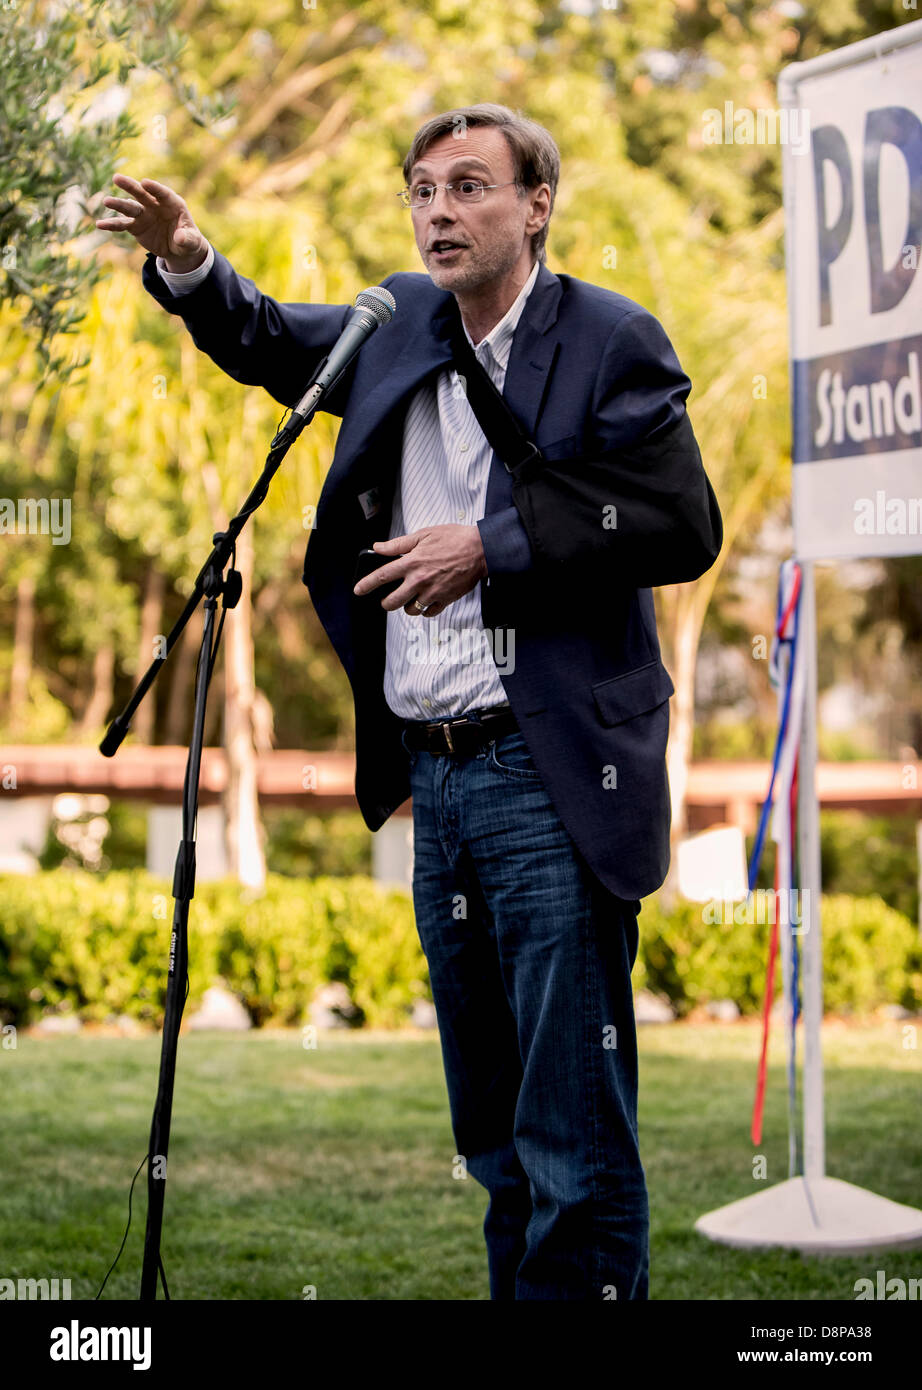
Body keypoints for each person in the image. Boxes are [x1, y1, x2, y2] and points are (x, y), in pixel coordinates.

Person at [96, 102, 721, 1301]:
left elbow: (678, 522)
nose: (439, 209)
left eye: (470, 186)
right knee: (493, 1138)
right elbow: (276, 340)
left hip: (551, 779)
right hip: (436, 779)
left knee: (572, 1145)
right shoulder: (397, 323)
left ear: (537, 204)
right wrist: (188, 263)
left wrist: (490, 546)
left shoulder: (607, 340)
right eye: (422, 188)